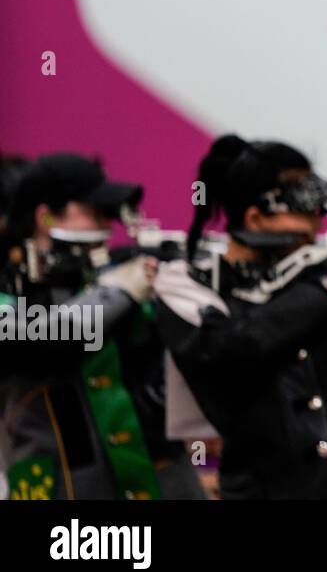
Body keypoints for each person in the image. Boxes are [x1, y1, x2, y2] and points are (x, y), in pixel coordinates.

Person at [154, 134, 327, 499]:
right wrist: (324, 289)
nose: (318, 226)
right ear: (256, 218)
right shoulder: (189, 283)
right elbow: (229, 353)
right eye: (304, 212)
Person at [0, 152, 204, 499]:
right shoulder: (10, 289)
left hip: (157, 480)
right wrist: (119, 291)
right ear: (45, 217)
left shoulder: (110, 281)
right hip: (60, 490)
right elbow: (52, 336)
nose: (108, 228)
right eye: (95, 214)